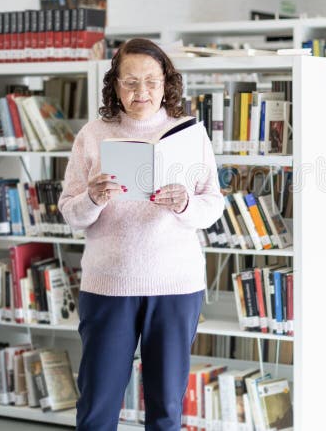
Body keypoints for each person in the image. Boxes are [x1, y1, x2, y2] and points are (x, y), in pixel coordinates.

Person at [58, 38, 224, 431]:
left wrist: (185, 203)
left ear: (167, 82)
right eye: (130, 82)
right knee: (98, 402)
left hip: (175, 285)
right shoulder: (93, 134)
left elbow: (212, 205)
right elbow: (70, 212)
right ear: (114, 85)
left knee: (167, 405)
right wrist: (94, 198)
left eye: (151, 81)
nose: (141, 92)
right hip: (109, 283)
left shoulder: (189, 134)